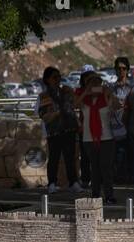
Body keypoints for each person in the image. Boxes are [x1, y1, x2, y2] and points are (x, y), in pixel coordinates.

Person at [37, 66, 82, 194]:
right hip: (54, 131)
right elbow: (44, 116)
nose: (58, 80)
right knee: (54, 158)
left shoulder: (65, 92)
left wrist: (72, 93)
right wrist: (57, 113)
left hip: (69, 129)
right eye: (54, 77)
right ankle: (52, 183)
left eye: (59, 77)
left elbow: (77, 104)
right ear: (47, 80)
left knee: (70, 157)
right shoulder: (44, 96)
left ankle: (73, 182)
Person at [79, 72, 119, 204]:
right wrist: (86, 92)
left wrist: (108, 93)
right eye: (92, 83)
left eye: (97, 83)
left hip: (106, 138)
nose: (95, 86)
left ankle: (109, 195)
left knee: (106, 167)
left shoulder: (105, 96)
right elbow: (74, 104)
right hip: (89, 139)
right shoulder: (84, 100)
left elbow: (116, 106)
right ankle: (95, 195)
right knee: (94, 168)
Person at [111, 56, 134, 184]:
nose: (121, 71)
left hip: (130, 124)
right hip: (116, 127)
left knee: (131, 153)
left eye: (123, 68)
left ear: (127, 70)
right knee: (118, 155)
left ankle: (130, 178)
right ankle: (120, 179)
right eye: (118, 68)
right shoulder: (111, 87)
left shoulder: (133, 86)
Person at [74, 66, 97, 187]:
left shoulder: (99, 90)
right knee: (85, 155)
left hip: (98, 126)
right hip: (84, 126)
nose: (89, 79)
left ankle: (97, 178)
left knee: (97, 154)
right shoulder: (79, 91)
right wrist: (86, 92)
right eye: (86, 76)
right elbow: (75, 104)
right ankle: (85, 179)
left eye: (91, 76)